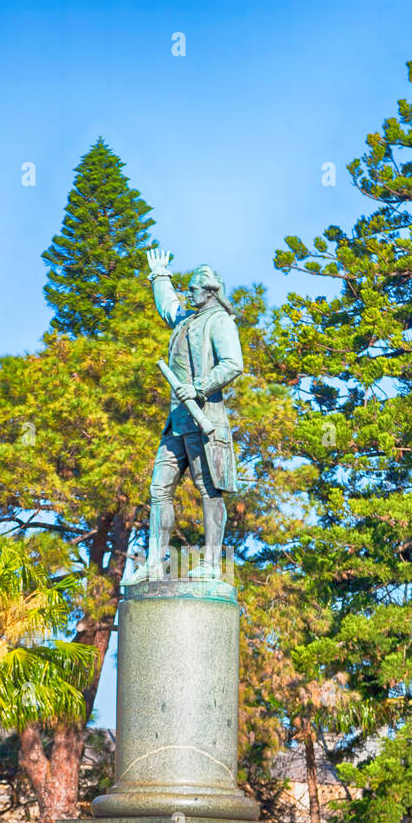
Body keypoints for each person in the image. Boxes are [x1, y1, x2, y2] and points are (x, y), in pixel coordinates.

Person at [129, 248, 241, 581]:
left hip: (205, 419)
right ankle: (153, 563)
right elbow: (169, 307)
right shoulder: (187, 319)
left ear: (209, 292)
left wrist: (201, 386)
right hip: (176, 423)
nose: (187, 293)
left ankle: (211, 563)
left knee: (209, 489)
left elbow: (233, 364)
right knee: (159, 489)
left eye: (192, 289)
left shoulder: (219, 321)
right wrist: (160, 275)